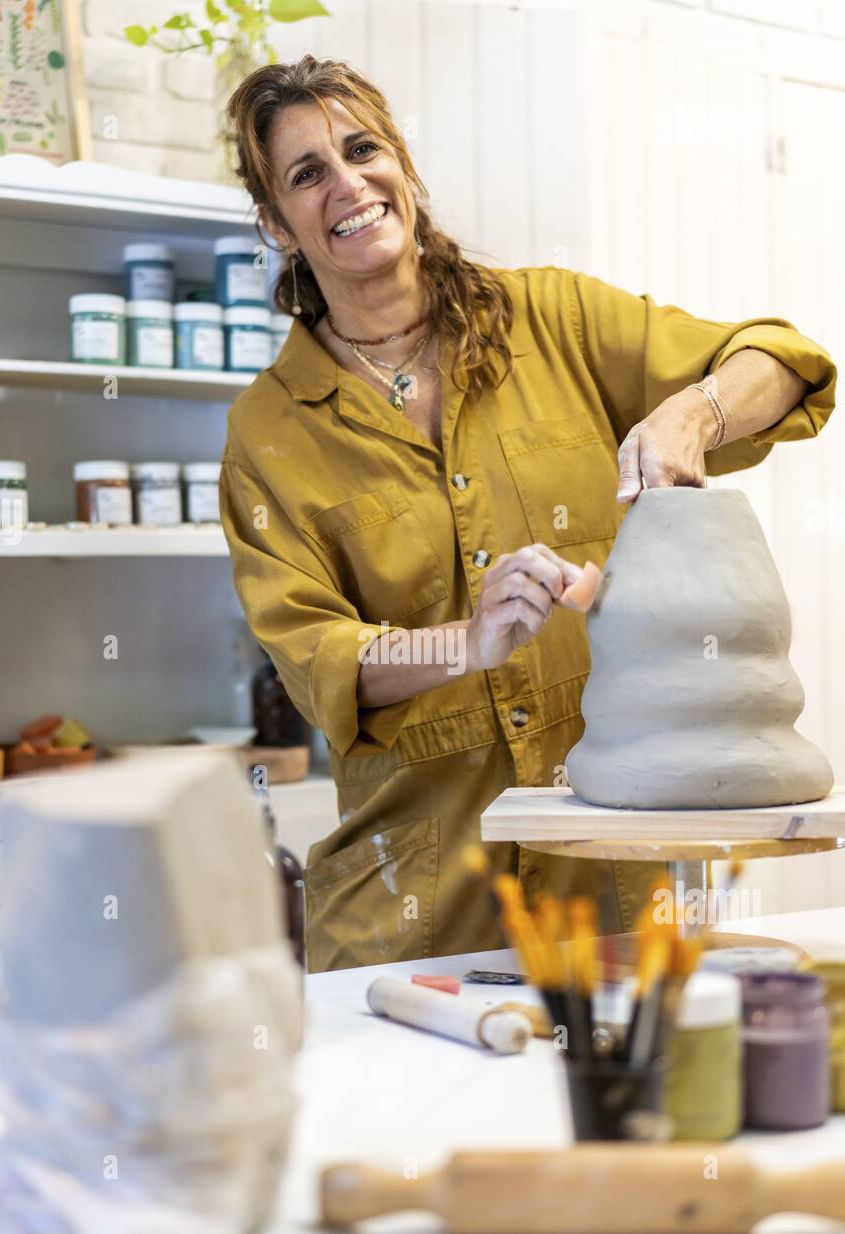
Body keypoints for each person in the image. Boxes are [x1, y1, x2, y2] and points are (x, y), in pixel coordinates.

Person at [220, 55, 836, 972]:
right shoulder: (269, 433)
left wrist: (691, 412)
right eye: (308, 174)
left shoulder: (557, 319)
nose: (348, 183)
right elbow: (322, 663)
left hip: (618, 891)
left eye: (362, 149)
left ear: (403, 167)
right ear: (277, 222)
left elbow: (785, 360)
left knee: (624, 1113)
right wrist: (464, 643)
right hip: (412, 916)